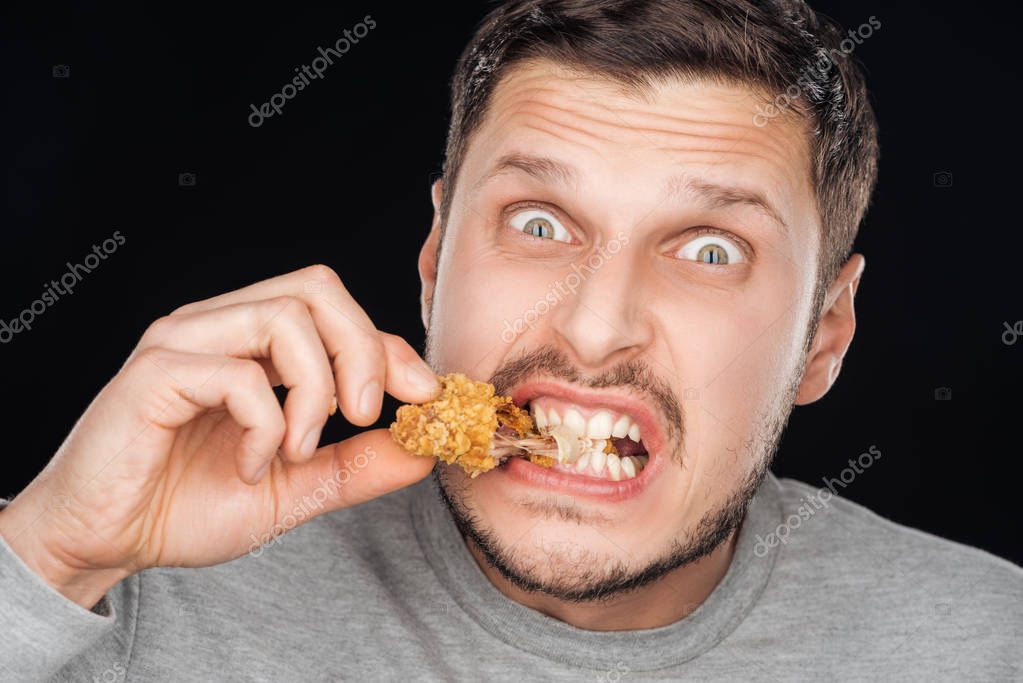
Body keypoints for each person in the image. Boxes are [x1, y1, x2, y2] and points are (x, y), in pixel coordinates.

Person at [2, 1, 1020, 680]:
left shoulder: (988, 641)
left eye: (709, 249)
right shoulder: (121, 591)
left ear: (823, 337)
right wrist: (47, 550)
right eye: (539, 224)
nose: (594, 324)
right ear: (434, 261)